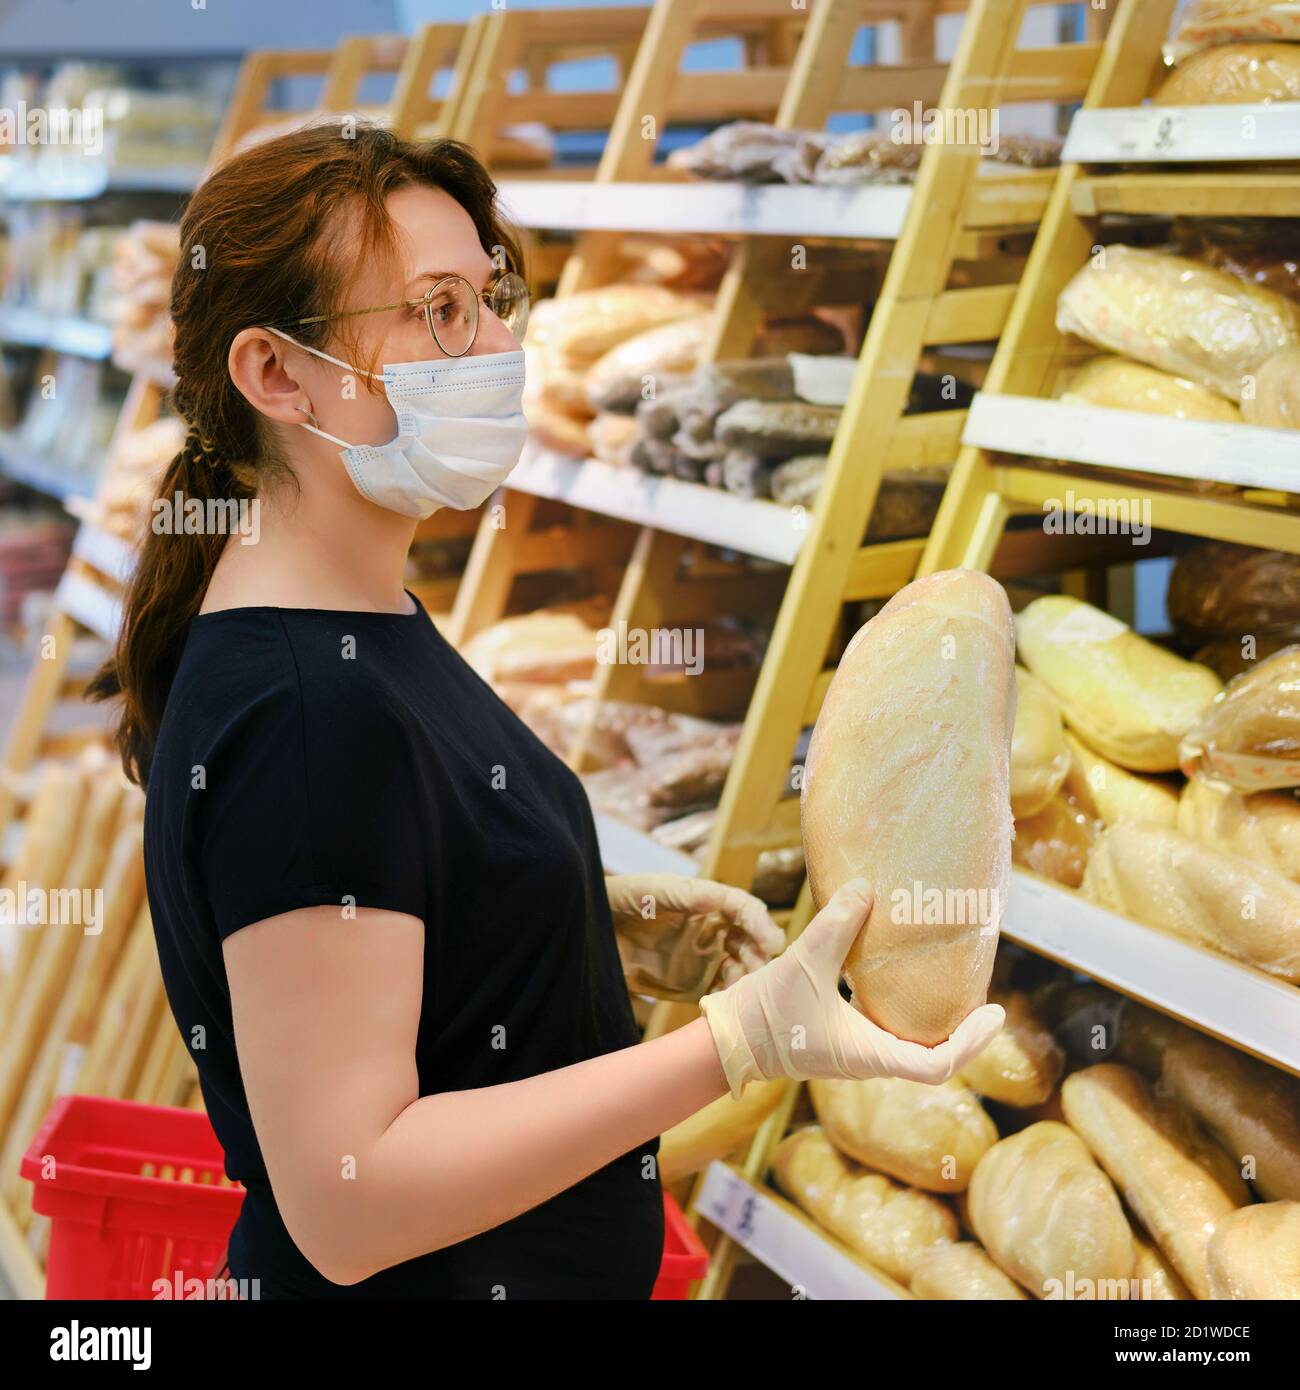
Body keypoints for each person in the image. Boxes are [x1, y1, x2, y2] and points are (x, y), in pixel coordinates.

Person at [89, 122, 1003, 1300]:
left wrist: (551, 916)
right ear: (276, 374)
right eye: (437, 311)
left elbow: (377, 910)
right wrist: (733, 1044)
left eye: (492, 294)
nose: (500, 343)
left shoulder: (355, 622)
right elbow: (349, 1199)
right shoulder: (306, 710)